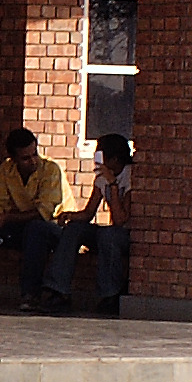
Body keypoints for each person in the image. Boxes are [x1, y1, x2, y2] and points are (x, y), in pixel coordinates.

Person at [0, 127, 65, 307]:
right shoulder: (6, 169)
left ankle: (30, 294)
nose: (32, 161)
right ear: (13, 158)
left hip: (53, 229)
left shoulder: (51, 170)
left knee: (36, 230)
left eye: (34, 154)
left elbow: (44, 213)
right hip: (21, 225)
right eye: (25, 158)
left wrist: (6, 218)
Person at [33, 132, 133, 315]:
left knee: (108, 234)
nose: (97, 161)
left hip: (127, 235)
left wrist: (113, 185)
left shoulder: (130, 177)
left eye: (100, 156)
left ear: (115, 159)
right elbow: (89, 213)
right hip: (110, 233)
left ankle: (110, 295)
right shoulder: (101, 179)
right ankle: (58, 289)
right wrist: (70, 216)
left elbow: (120, 220)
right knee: (75, 229)